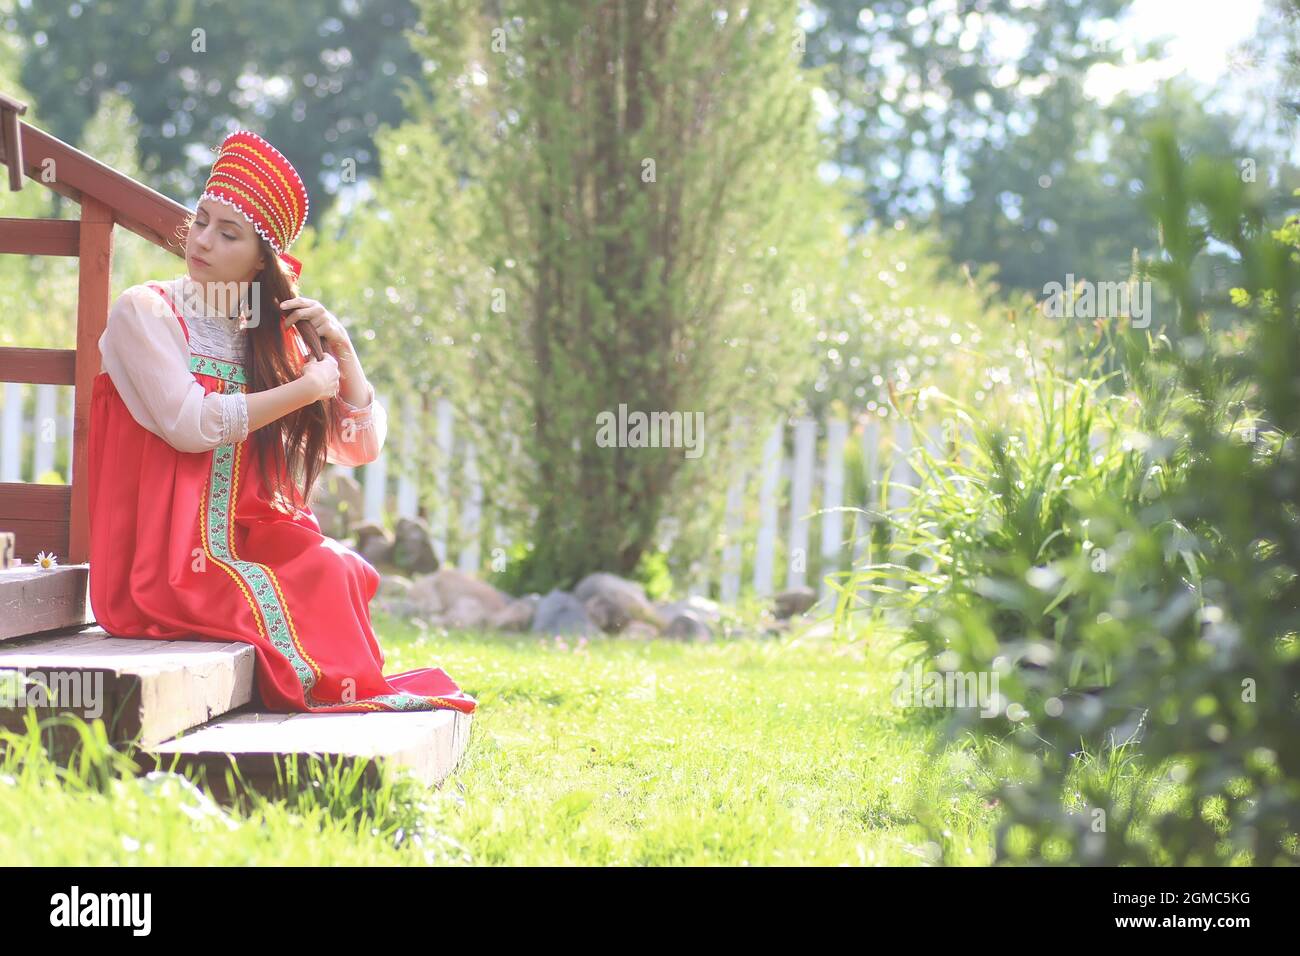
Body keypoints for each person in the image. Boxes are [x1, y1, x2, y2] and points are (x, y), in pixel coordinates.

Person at [87, 129, 476, 715]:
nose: (202, 241)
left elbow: (356, 447)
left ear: (260, 260)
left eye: (228, 232)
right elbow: (191, 423)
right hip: (162, 563)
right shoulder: (147, 311)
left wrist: (343, 355)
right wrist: (302, 390)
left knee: (336, 565)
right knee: (280, 583)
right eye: (200, 221)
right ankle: (320, 691)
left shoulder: (269, 335)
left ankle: (343, 691)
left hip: (247, 534)